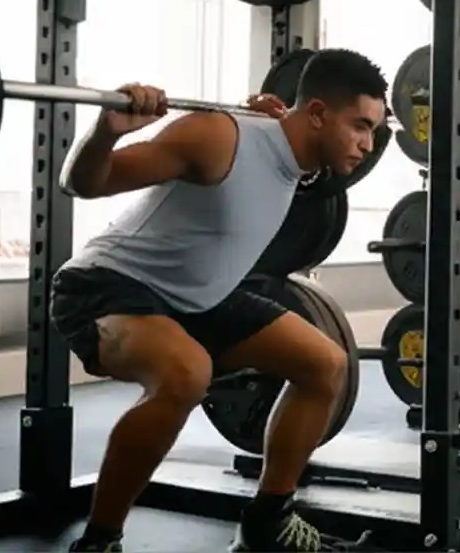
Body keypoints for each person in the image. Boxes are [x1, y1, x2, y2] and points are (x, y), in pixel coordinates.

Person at [50, 49, 388, 552]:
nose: (367, 145)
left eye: (375, 132)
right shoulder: (217, 136)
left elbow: (283, 145)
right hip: (107, 285)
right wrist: (108, 131)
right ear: (317, 113)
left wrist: (276, 116)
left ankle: (267, 523)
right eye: (360, 126)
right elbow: (82, 182)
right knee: (187, 374)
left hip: (199, 297)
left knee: (326, 364)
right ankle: (100, 541)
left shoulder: (300, 153)